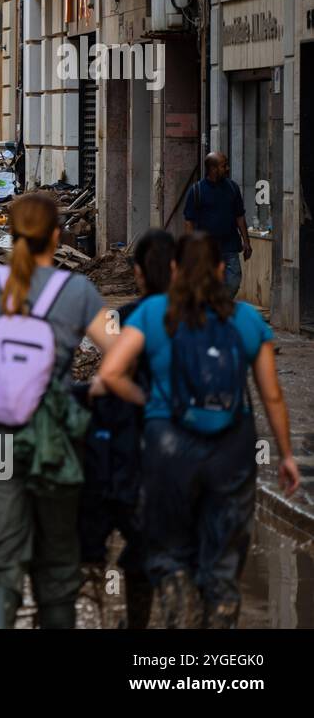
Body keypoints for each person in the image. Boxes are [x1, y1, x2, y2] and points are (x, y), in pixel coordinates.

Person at [0, 192, 116, 628]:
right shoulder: (78, 291)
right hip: (56, 442)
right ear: (56, 236)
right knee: (57, 569)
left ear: (13, 234)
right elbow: (122, 345)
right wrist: (94, 388)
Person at [98, 231, 300, 628]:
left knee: (170, 551)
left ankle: (177, 603)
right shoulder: (244, 318)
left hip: (167, 448)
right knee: (222, 560)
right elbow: (272, 396)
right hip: (232, 450)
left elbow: (109, 374)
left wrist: (151, 401)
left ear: (175, 269)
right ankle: (218, 618)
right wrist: (287, 455)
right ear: (223, 269)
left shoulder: (154, 314)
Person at [79, 229, 175, 629]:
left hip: (132, 446)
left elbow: (109, 378)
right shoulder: (208, 318)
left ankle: (99, 591)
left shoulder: (130, 317)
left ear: (138, 273)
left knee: (102, 527)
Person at [183, 151, 251, 298]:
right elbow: (189, 221)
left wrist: (247, 242)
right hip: (206, 250)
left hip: (230, 247)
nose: (227, 168)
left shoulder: (233, 188)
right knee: (207, 284)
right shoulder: (197, 190)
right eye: (223, 166)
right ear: (212, 169)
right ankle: (214, 308)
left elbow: (240, 216)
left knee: (233, 282)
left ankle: (221, 305)